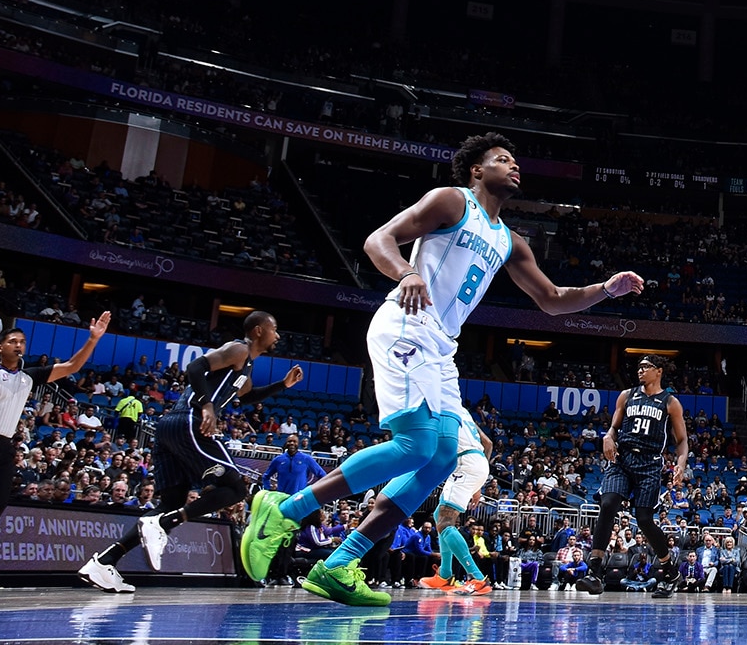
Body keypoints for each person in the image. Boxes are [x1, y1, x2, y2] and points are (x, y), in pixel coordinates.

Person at [239, 133, 645, 605]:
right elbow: (378, 240)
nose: (514, 167)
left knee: (439, 459)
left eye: (516, 161)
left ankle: (337, 564)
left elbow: (553, 301)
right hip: (407, 327)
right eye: (502, 160)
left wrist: (606, 289)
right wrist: (407, 273)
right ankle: (286, 509)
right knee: (417, 446)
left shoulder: (511, 241)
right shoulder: (452, 201)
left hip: (441, 349)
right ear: (476, 170)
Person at [80, 312, 302, 592]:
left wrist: (283, 385)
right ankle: (164, 523)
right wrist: (208, 405)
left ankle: (104, 562)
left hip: (170, 429)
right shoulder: (239, 349)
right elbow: (195, 367)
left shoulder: (245, 367)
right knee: (234, 488)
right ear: (259, 331)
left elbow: (247, 395)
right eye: (275, 329)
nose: (278, 335)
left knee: (170, 502)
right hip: (189, 420)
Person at [0, 314, 110, 543]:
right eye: (13, 341)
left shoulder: (29, 377)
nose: (18, 345)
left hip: (5, 446)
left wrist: (93, 339)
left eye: (22, 341)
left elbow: (73, 366)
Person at [578, 355, 689, 598]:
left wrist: (680, 463)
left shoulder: (670, 402)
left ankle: (670, 571)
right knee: (607, 505)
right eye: (639, 367)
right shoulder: (626, 395)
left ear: (658, 371)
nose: (640, 370)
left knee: (644, 520)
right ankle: (594, 572)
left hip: (649, 463)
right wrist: (608, 436)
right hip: (623, 458)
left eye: (646, 367)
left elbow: (682, 441)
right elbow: (614, 428)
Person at [417, 411, 495, 594]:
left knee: (445, 521)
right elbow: (488, 443)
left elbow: (440, 446)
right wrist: (478, 483)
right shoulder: (464, 412)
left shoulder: (440, 409)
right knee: (439, 516)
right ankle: (445, 574)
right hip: (477, 462)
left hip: (464, 463)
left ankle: (476, 577)